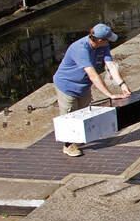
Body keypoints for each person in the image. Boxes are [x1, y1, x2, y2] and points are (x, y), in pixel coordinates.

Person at [53, 24, 131, 157]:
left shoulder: (103, 46)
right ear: (100, 40)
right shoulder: (80, 48)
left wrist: (122, 84)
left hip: (83, 86)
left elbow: (110, 66)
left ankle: (76, 138)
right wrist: (109, 95)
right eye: (108, 39)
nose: (109, 42)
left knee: (83, 112)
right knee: (69, 114)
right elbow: (92, 74)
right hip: (67, 85)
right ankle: (67, 145)